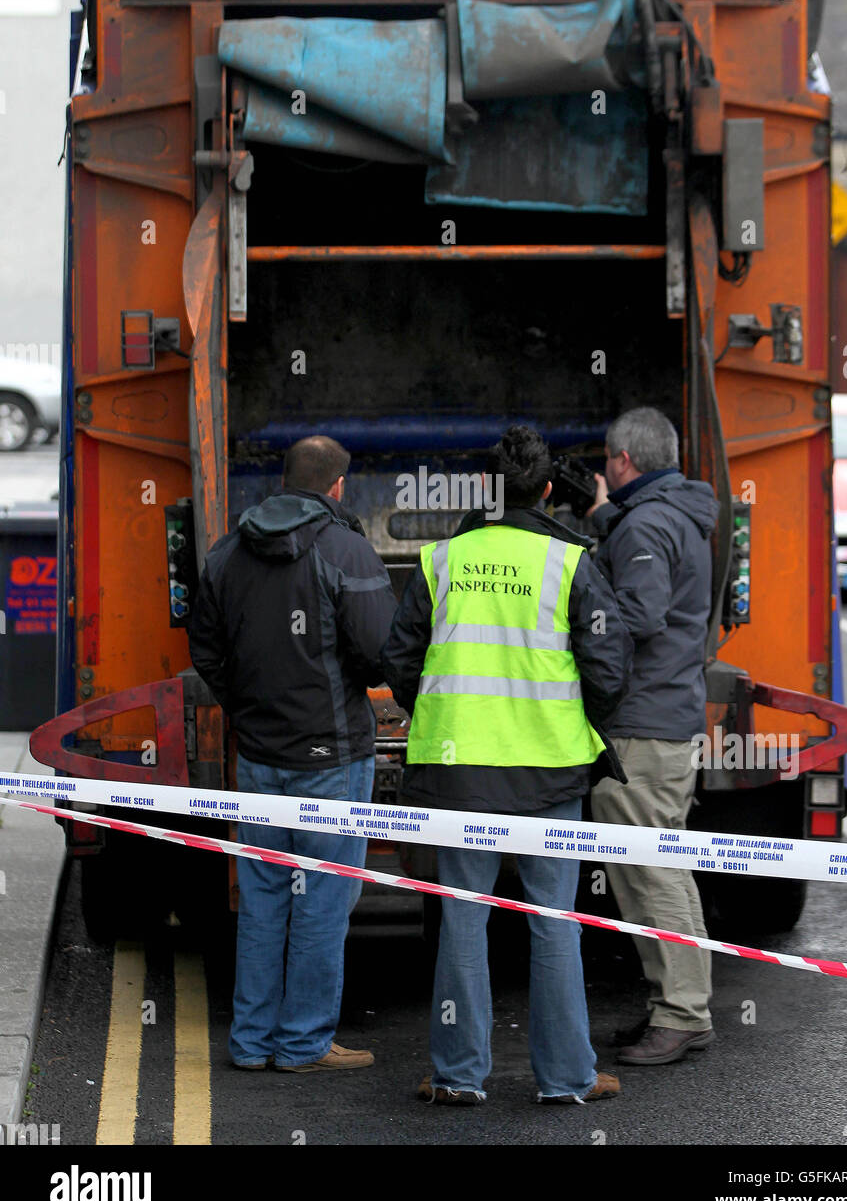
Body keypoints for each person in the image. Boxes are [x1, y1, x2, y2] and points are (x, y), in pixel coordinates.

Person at [382, 425, 633, 1105]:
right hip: (549, 769)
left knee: (464, 915)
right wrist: (575, 717)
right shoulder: (572, 562)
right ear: (550, 491)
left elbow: (399, 661)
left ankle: (459, 1076)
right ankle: (566, 1079)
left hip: (458, 768)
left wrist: (442, 710)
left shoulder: (442, 561)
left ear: (490, 489)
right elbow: (610, 670)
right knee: (553, 919)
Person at [188, 435, 396, 1074]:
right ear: (336, 487)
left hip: (258, 757)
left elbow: (206, 649)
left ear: (283, 482)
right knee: (322, 902)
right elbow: (378, 650)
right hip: (331, 756)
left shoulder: (227, 553)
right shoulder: (345, 549)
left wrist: (247, 707)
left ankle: (251, 1044)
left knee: (264, 897)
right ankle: (303, 1043)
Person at [587, 406, 719, 1066]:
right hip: (668, 718)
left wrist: (580, 612)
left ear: (622, 462)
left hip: (641, 724)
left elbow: (637, 614)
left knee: (649, 873)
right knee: (663, 868)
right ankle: (681, 1008)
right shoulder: (674, 516)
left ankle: (682, 1014)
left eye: (608, 459)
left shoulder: (647, 523)